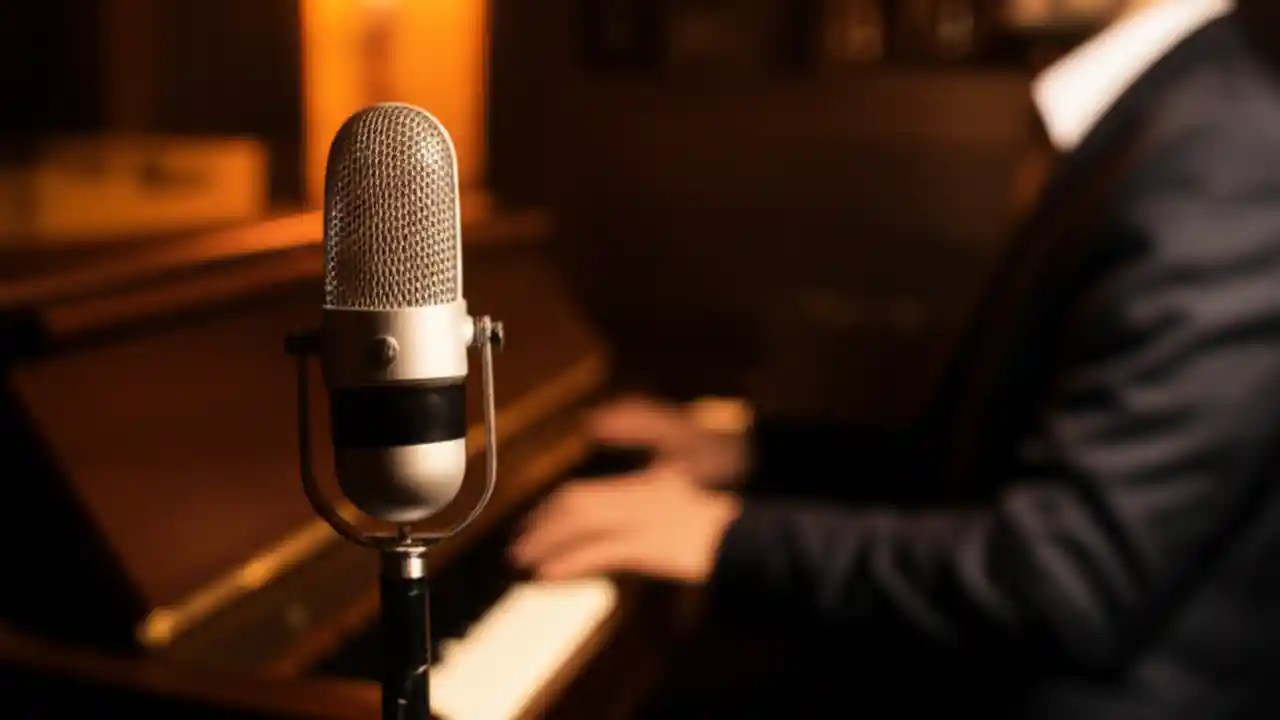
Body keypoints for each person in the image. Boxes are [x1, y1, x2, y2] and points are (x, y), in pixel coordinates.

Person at [511, 0, 1280, 716]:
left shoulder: (1225, 152)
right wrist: (754, 454)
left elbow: (1062, 577)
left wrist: (720, 535)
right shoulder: (1177, 112)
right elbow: (982, 467)